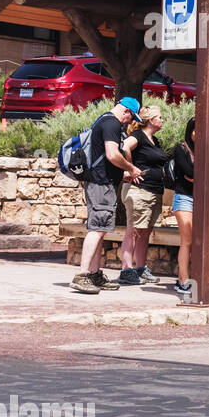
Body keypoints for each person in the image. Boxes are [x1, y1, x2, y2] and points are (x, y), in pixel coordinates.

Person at [72, 97, 142, 294]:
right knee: (96, 229)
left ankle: (94, 274)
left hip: (102, 182)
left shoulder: (104, 121)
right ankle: (83, 275)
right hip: (100, 184)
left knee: (100, 228)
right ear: (126, 111)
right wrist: (130, 167)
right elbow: (112, 154)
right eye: (131, 117)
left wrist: (122, 174)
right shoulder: (111, 123)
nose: (129, 121)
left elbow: (105, 158)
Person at [169, 115, 209, 298]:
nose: (199, 134)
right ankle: (184, 280)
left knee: (207, 240)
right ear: (190, 131)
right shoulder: (181, 148)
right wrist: (202, 177)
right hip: (185, 198)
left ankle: (199, 278)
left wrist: (200, 177)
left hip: (205, 200)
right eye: (196, 130)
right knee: (187, 239)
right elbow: (189, 172)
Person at [117, 105, 167, 286]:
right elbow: (124, 147)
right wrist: (130, 168)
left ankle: (140, 268)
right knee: (133, 230)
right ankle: (126, 269)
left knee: (145, 232)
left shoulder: (156, 141)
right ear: (151, 120)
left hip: (154, 191)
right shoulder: (138, 136)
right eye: (160, 117)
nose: (162, 120)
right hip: (139, 191)